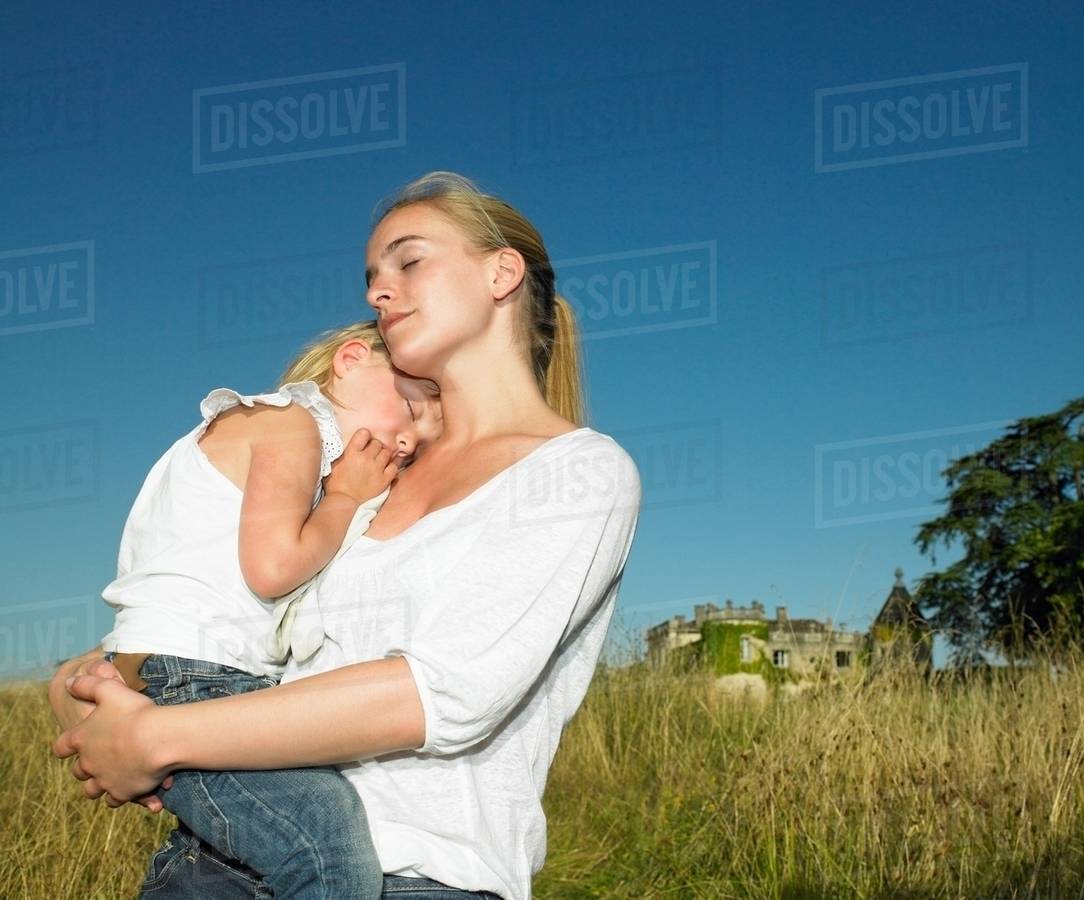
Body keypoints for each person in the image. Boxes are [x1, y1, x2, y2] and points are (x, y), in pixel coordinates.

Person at [50, 172, 642, 900]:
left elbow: (439, 696)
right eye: (371, 276)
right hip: (214, 868)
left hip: (414, 877)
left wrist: (158, 739)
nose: (377, 291)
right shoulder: (365, 477)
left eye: (409, 260)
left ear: (502, 272)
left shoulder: (577, 472)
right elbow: (223, 615)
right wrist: (81, 687)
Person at [54, 321, 443, 899]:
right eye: (412, 408)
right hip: (194, 676)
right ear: (353, 359)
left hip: (180, 670)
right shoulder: (289, 426)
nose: (410, 441)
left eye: (426, 439)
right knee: (327, 850)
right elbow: (273, 570)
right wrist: (344, 499)